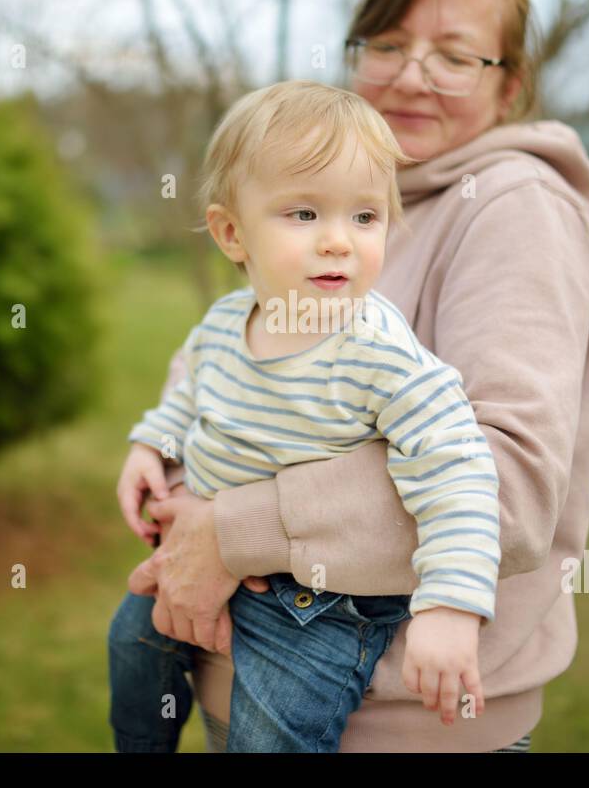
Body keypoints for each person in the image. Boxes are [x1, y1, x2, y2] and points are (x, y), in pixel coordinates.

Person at [126, 0, 589, 752]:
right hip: (242, 669)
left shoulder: (515, 205)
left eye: (456, 55)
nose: (411, 75)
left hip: (400, 720)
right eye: (387, 44)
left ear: (512, 87)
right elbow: (226, 364)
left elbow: (509, 485)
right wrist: (164, 455)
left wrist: (231, 530)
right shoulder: (332, 185)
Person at [109, 80, 502, 752]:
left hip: (321, 605)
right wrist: (153, 444)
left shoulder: (379, 351)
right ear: (231, 232)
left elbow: (458, 470)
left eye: (364, 217)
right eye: (303, 215)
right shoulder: (227, 320)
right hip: (211, 559)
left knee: (269, 736)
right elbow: (191, 395)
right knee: (131, 643)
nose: (338, 243)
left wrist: (451, 606)